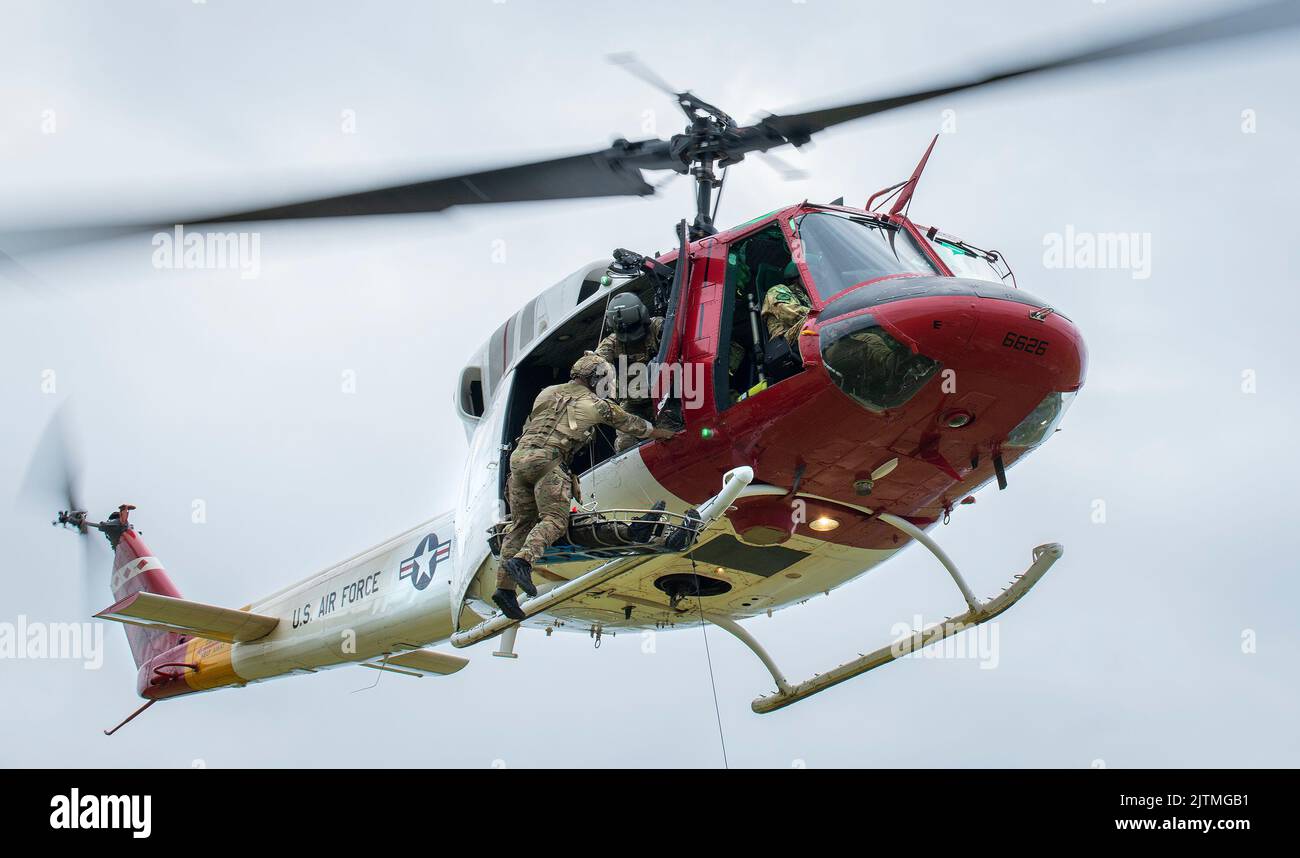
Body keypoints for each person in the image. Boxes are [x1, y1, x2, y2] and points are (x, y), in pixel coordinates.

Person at [493, 353, 678, 620]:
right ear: (597, 379)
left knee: (521, 525)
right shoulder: (596, 404)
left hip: (519, 461)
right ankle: (523, 561)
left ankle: (504, 591)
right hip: (548, 461)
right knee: (555, 520)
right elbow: (632, 424)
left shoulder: (546, 393)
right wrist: (663, 434)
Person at [595, 292, 667, 452]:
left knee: (671, 433)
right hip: (632, 404)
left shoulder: (658, 328)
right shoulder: (611, 343)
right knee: (625, 445)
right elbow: (595, 363)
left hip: (664, 396)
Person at [761, 261, 812, 349]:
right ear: (796, 276)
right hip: (784, 343)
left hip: (807, 335)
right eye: (811, 274)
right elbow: (791, 314)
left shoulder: (808, 298)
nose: (814, 279)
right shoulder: (778, 290)